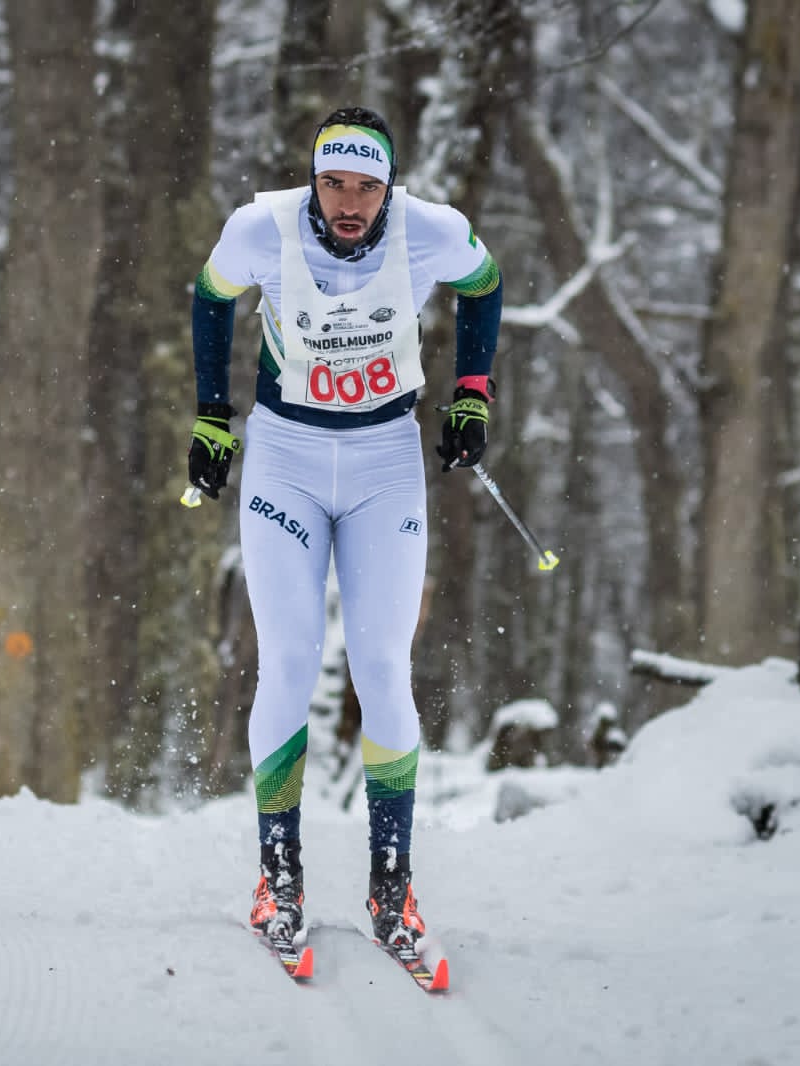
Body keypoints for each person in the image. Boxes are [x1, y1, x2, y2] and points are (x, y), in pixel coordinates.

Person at [185, 107, 502, 954]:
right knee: (288, 659)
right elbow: (210, 296)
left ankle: (391, 887)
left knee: (380, 664)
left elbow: (485, 283)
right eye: (335, 184)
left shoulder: (430, 231)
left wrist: (474, 390)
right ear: (313, 180)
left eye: (367, 186)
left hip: (384, 461)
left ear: (390, 187)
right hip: (285, 455)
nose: (350, 203)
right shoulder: (262, 229)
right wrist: (213, 416)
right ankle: (277, 877)